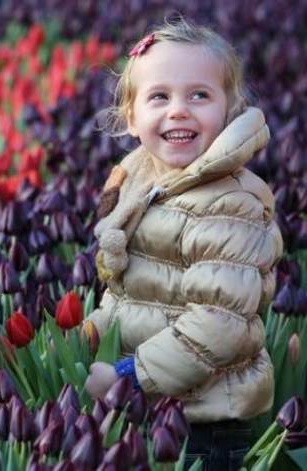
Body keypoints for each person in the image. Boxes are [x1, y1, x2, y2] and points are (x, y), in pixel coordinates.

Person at [83, 19, 282, 470]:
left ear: (229, 110)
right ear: (131, 118)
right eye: (160, 96)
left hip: (206, 419)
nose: (178, 111)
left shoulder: (229, 205)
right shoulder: (142, 182)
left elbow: (220, 324)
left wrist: (130, 376)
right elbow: (135, 292)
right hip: (154, 397)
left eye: (199, 95)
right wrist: (92, 330)